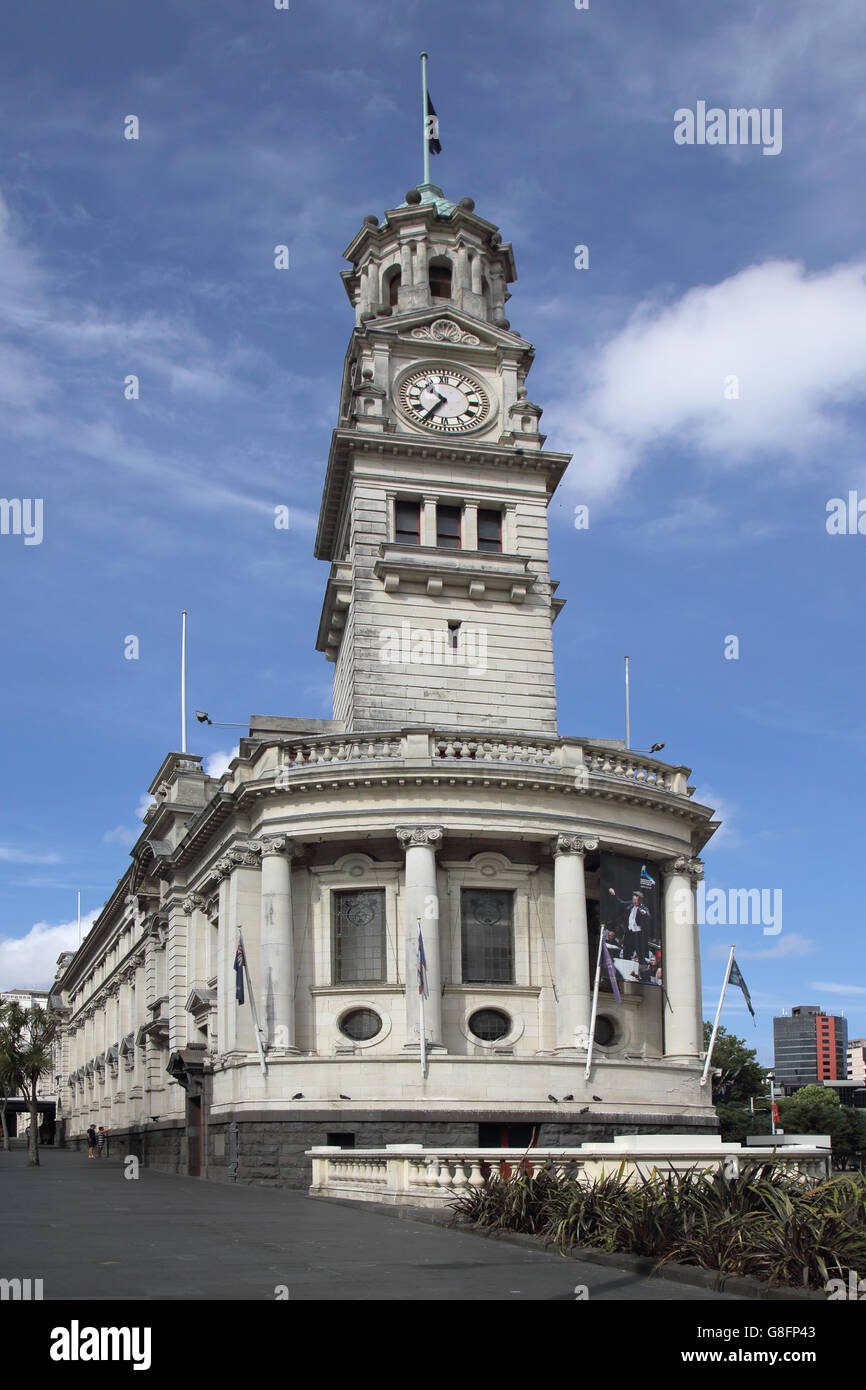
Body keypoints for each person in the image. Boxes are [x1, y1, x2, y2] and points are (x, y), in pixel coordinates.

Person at [607, 886, 651, 961]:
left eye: (635, 899)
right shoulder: (630, 905)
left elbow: (649, 916)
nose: (633, 901)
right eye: (633, 899)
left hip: (638, 934)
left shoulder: (643, 908)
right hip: (629, 932)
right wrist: (614, 895)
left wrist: (644, 913)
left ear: (639, 900)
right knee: (626, 950)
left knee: (639, 952)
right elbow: (620, 903)